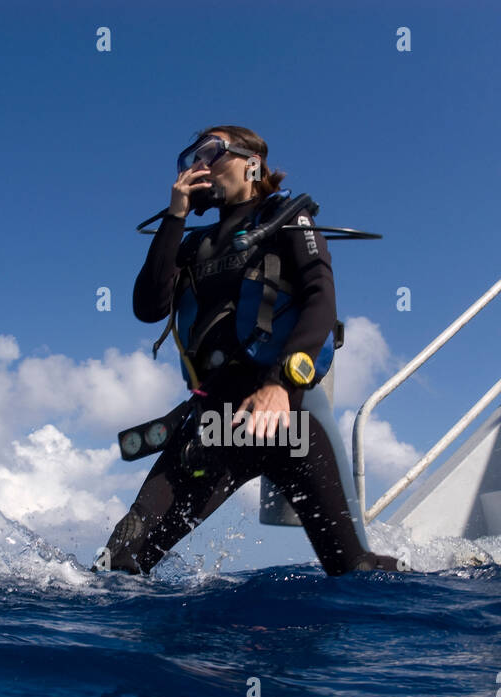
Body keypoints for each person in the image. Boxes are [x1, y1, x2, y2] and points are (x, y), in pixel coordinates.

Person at [98, 125, 403, 576]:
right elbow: (148, 307)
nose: (200, 166)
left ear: (252, 164)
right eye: (191, 159)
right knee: (119, 562)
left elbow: (321, 302)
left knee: (353, 569)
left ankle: (439, 573)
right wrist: (176, 215)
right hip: (215, 424)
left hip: (285, 418)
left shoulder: (289, 219)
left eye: (212, 153)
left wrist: (280, 385)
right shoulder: (192, 244)